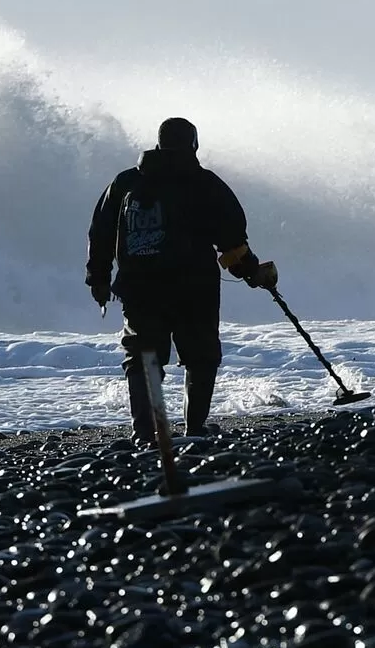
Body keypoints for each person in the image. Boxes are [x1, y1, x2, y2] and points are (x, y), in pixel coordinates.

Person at [85, 117, 277, 441]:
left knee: (144, 357)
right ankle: (194, 429)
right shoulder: (205, 184)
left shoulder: (126, 183)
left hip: (139, 287)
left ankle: (146, 433)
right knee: (201, 357)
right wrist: (252, 273)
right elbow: (232, 241)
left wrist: (99, 279)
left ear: (158, 144)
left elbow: (100, 234)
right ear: (194, 145)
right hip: (194, 287)